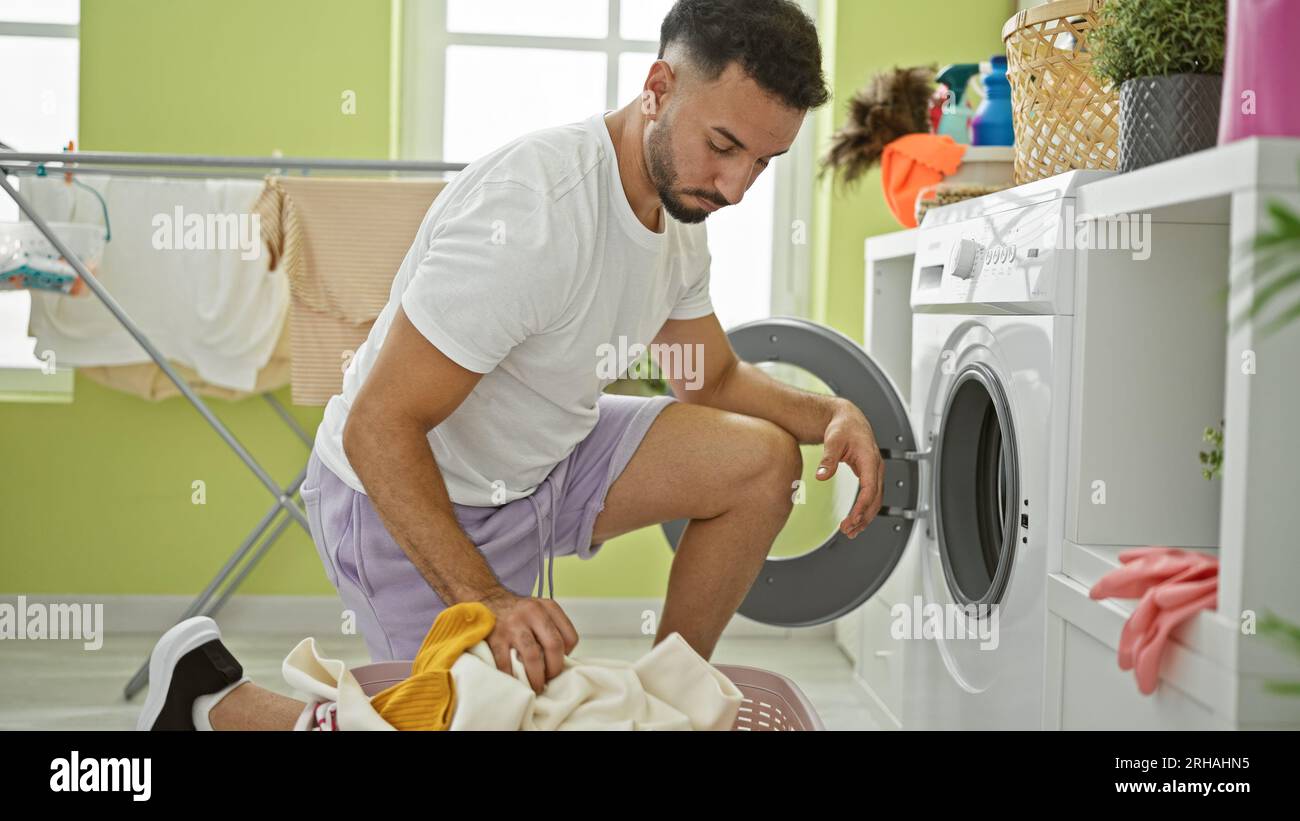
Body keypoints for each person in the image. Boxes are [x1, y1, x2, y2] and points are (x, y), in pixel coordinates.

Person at [143, 0, 887, 730]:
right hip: (403, 489)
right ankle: (216, 706)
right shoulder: (534, 214)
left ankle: (670, 706)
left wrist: (830, 414)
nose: (735, 188)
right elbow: (379, 425)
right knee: (475, 720)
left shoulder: (680, 210)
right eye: (723, 146)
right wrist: (487, 598)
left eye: (763, 163)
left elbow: (712, 379)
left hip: (545, 460)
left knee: (760, 461)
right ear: (657, 89)